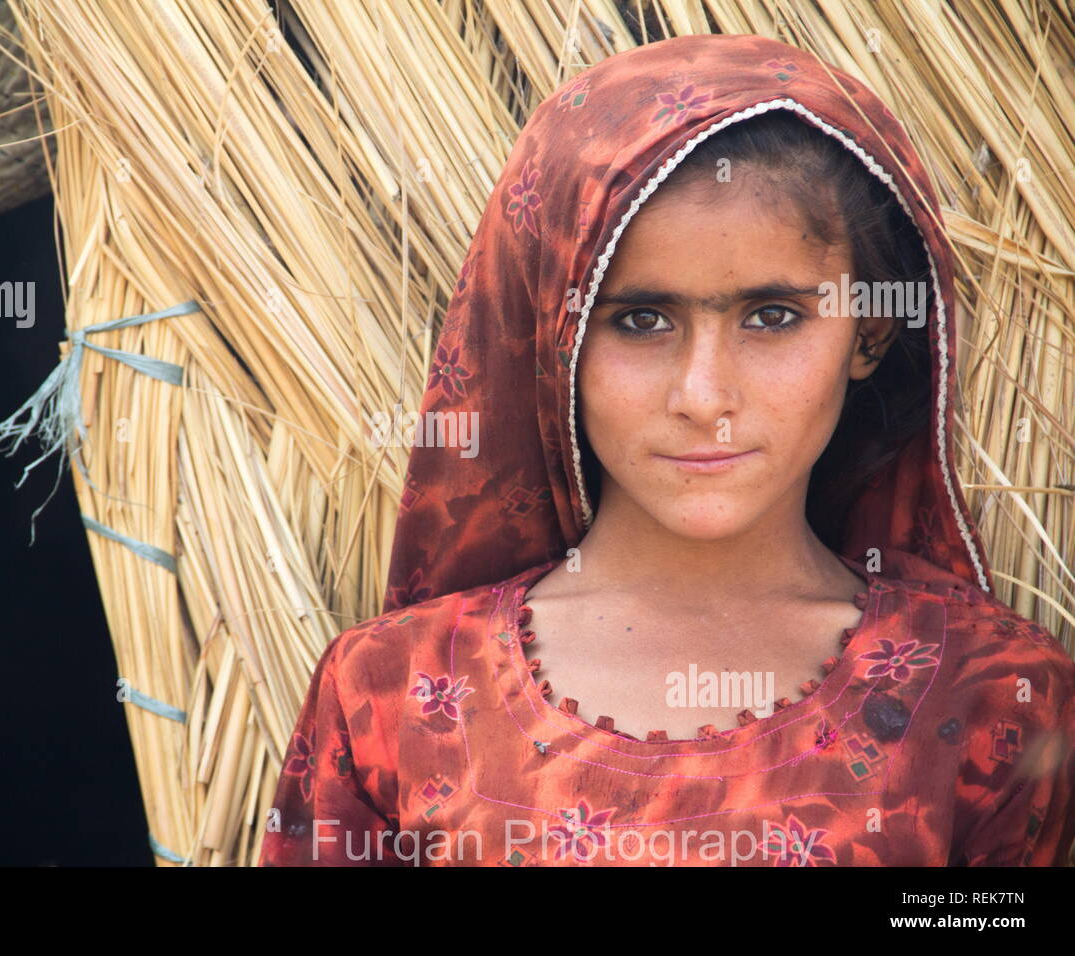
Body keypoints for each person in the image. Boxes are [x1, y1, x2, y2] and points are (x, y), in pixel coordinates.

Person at [257, 32, 1075, 867]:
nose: (703, 396)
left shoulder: (991, 698)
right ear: (559, 344)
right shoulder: (397, 692)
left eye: (773, 317)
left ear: (868, 334)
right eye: (641, 320)